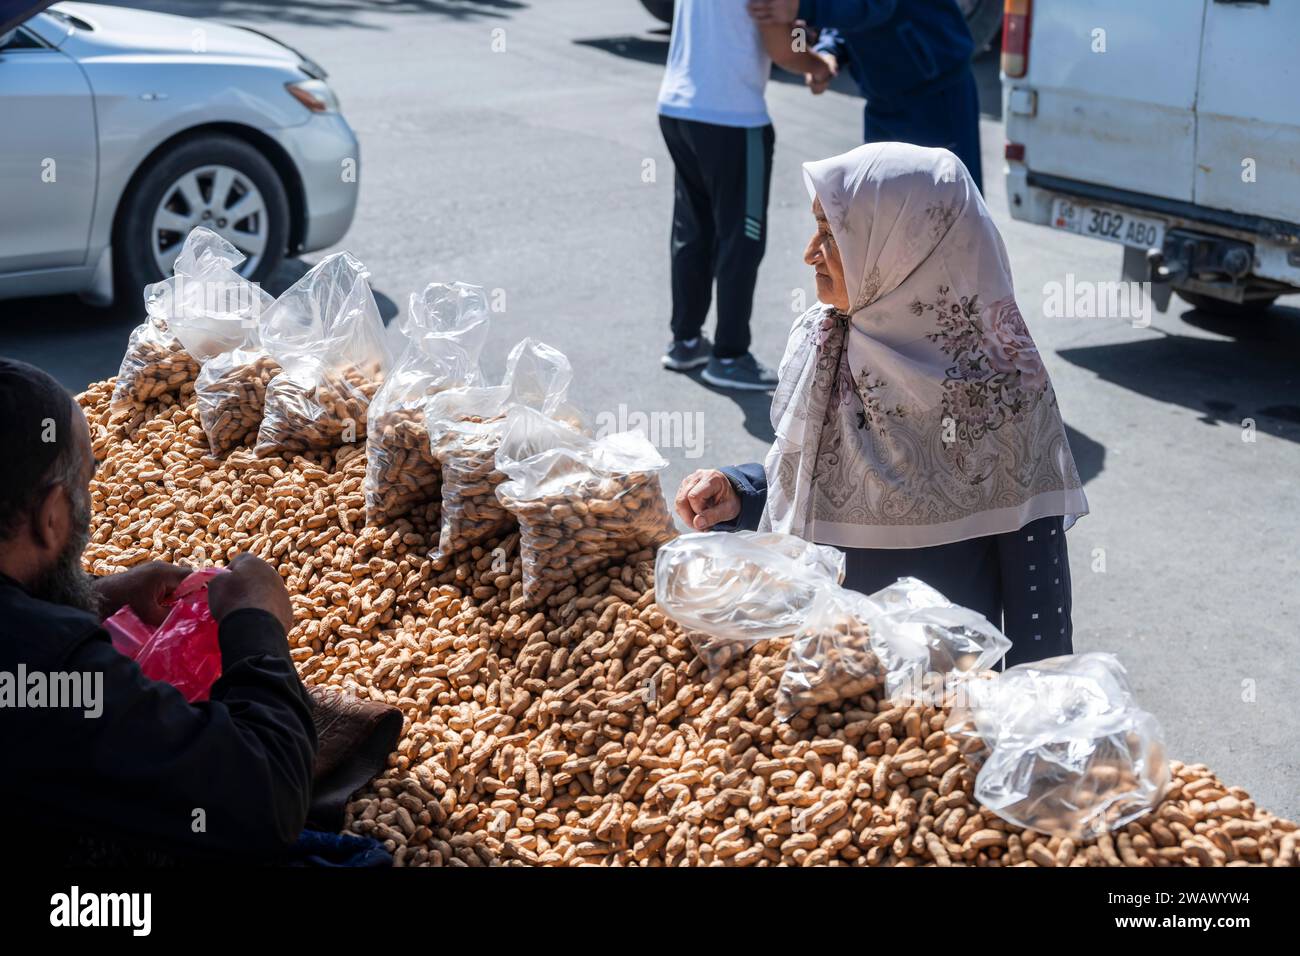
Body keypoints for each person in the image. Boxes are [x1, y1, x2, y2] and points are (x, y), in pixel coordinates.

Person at [674, 143, 1088, 666]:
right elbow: (821, 483)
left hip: (936, 710)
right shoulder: (829, 340)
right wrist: (741, 490)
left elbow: (1039, 607)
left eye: (831, 234)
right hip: (820, 684)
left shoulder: (1002, 391)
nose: (809, 252)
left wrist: (1036, 720)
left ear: (903, 251)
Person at [0, 357, 317, 864]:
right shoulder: (49, 676)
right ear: (51, 516)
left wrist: (93, 596)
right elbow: (267, 799)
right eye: (84, 486)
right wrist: (258, 626)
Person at [658, 0, 835, 390]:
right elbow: (782, 48)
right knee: (743, 236)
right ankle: (729, 355)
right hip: (733, 119)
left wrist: (796, 31)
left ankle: (686, 340)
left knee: (693, 227)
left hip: (677, 106)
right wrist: (820, 65)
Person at [749, 0, 984, 193]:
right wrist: (823, 54)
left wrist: (802, 8)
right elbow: (799, 30)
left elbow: (877, 6)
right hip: (883, 100)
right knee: (886, 215)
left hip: (935, 95)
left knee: (950, 215)